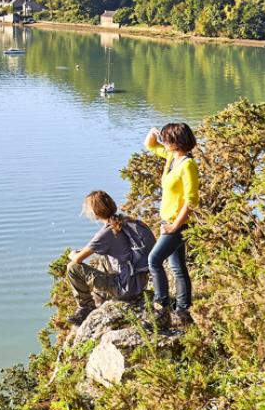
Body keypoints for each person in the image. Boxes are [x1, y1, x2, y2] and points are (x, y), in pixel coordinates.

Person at [62, 190, 156, 325]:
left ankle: (85, 307)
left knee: (73, 267)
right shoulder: (127, 221)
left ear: (95, 212)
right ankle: (100, 298)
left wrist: (71, 254)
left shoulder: (106, 233)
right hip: (139, 282)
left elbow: (78, 260)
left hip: (124, 290)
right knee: (103, 257)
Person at [145, 121, 200, 331]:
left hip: (179, 225)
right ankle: (183, 310)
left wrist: (175, 226)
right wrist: (152, 134)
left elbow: (191, 200)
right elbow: (150, 146)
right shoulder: (172, 158)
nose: (163, 142)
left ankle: (162, 306)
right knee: (177, 266)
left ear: (175, 142)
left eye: (166, 139)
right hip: (168, 222)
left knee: (154, 260)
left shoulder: (188, 165)